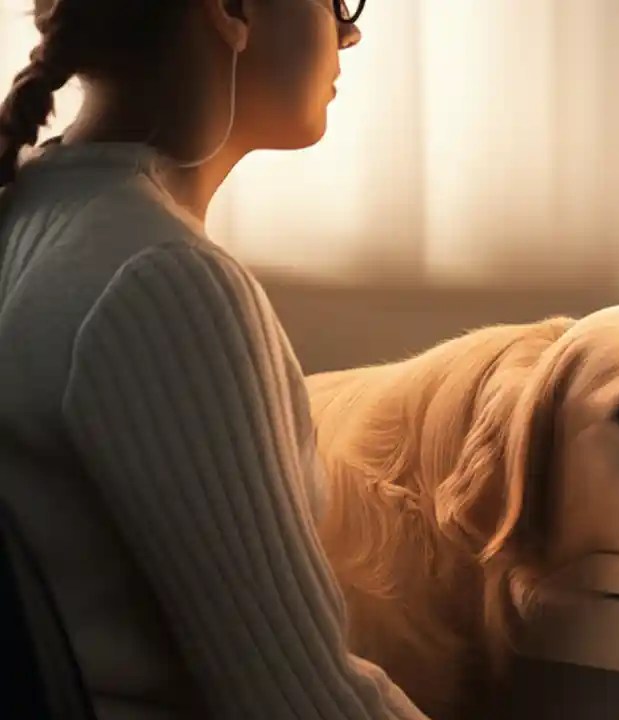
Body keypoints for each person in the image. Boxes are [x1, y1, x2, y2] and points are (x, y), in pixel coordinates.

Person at [0, 1, 429, 717]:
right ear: (231, 9)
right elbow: (300, 704)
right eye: (335, 1)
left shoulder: (29, 216)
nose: (349, 31)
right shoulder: (162, 277)